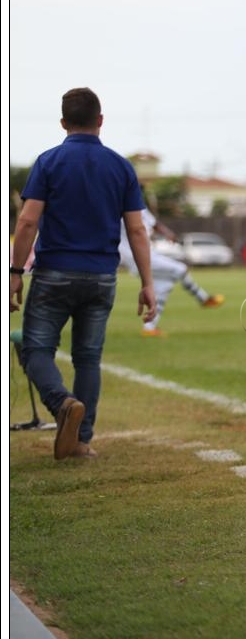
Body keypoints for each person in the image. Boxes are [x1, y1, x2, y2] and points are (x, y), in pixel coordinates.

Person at [9, 87, 158, 460]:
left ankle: (62, 404)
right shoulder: (121, 167)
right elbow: (137, 230)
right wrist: (147, 282)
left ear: (63, 123)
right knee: (88, 359)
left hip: (54, 273)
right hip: (101, 277)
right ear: (100, 120)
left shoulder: (48, 162)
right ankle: (80, 439)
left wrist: (14, 271)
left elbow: (28, 220)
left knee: (35, 349)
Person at [118, 206, 224, 336]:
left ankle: (149, 328)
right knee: (180, 269)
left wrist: (168, 234)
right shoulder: (123, 207)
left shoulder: (140, 207)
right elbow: (138, 230)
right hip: (137, 256)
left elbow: (155, 223)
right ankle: (204, 299)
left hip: (147, 253)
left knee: (164, 286)